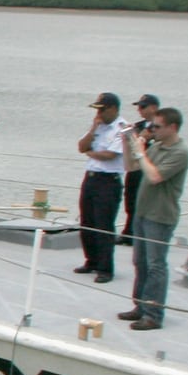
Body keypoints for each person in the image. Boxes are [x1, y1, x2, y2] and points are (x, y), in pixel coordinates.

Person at [119, 107, 188, 331]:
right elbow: (131, 166)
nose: (152, 130)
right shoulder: (157, 146)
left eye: (157, 126)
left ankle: (153, 314)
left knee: (156, 265)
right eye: (152, 126)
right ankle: (140, 306)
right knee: (140, 262)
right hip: (142, 213)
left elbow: (155, 176)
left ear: (172, 127)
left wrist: (141, 151)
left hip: (160, 216)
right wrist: (128, 143)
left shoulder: (180, 152)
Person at [74, 92, 128, 284]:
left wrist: (91, 153)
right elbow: (81, 146)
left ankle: (105, 268)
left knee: (103, 225)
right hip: (91, 178)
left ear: (113, 109)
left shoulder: (122, 128)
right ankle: (91, 260)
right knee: (87, 222)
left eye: (102, 110)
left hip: (108, 181)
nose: (99, 114)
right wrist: (92, 129)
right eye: (97, 110)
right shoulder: (98, 126)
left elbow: (110, 155)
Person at [120, 93, 160, 245]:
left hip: (150, 167)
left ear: (154, 108)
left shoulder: (161, 127)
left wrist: (147, 137)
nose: (140, 110)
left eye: (143, 107)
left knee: (146, 203)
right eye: (139, 107)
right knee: (130, 199)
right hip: (136, 167)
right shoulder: (138, 126)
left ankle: (142, 234)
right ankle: (128, 232)